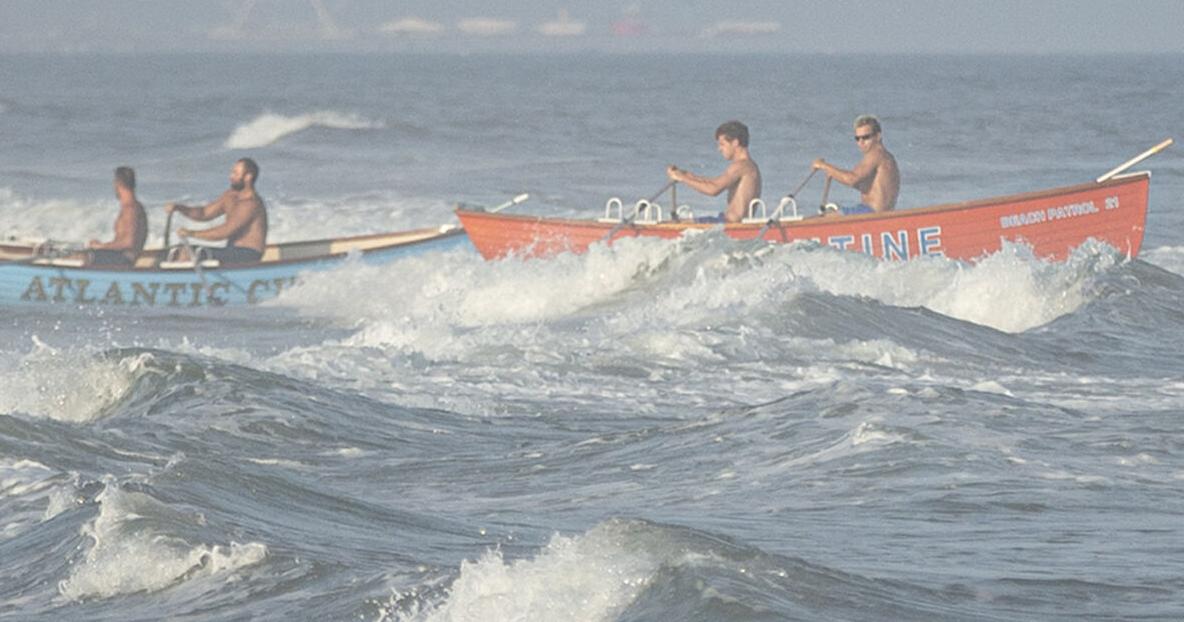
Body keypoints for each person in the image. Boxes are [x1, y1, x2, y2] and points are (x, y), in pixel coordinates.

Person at [165, 157, 267, 263]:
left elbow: (225, 231)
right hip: (230, 251)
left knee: (187, 253)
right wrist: (180, 208)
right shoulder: (229, 196)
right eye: (232, 172)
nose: (231, 176)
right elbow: (204, 213)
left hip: (248, 254)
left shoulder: (251, 203)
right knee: (178, 252)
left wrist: (191, 233)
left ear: (248, 177)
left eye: (236, 173)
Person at [666, 120, 762, 223]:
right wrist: (688, 175)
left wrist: (682, 178)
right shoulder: (748, 165)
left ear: (735, 143)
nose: (719, 149)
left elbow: (713, 190)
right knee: (677, 222)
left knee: (672, 224)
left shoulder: (741, 166)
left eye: (722, 144)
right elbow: (715, 182)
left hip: (729, 223)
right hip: (726, 221)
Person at [812, 115, 900, 215]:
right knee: (831, 211)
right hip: (880, 214)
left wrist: (823, 165)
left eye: (866, 137)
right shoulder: (887, 157)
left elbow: (851, 179)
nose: (861, 142)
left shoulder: (875, 154)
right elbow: (865, 186)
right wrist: (832, 173)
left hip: (870, 213)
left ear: (878, 136)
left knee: (827, 217)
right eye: (857, 138)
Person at [87, 166, 148, 266]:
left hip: (124, 260)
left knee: (83, 257)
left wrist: (101, 246)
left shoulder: (130, 209)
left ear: (118, 183)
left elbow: (128, 242)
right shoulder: (134, 207)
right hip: (121, 257)